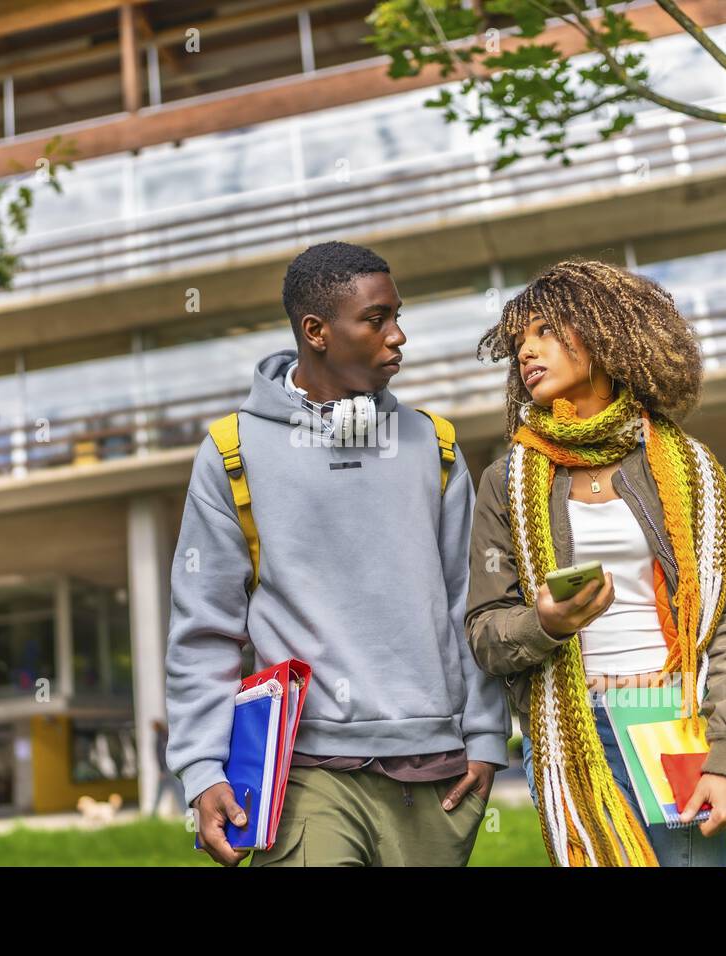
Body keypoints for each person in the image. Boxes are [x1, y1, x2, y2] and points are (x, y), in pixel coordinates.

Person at [166, 241, 511, 866]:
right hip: (302, 771)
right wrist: (202, 766)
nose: (398, 336)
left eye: (397, 316)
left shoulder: (434, 446)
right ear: (315, 331)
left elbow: (470, 604)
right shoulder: (232, 453)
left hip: (435, 772)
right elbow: (205, 629)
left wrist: (486, 736)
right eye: (376, 320)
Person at [464, 258, 726, 867]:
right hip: (570, 732)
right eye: (519, 342)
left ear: (603, 333)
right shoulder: (504, 481)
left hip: (677, 715)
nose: (526, 351)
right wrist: (545, 623)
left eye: (545, 331)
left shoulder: (689, 467)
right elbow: (486, 631)